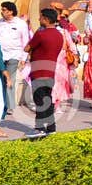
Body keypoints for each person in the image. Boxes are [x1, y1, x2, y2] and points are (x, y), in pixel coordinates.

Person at [25, 8, 67, 137]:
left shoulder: (41, 34)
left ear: (46, 19)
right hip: (50, 72)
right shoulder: (59, 35)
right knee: (47, 100)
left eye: (41, 17)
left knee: (39, 101)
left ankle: (39, 128)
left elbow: (27, 48)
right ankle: (51, 127)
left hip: (38, 72)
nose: (39, 19)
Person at [0, 1, 30, 111]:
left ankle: (9, 106)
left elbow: (25, 41)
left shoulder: (21, 24)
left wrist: (23, 58)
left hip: (14, 55)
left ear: (11, 11)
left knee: (10, 80)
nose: (2, 12)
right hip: (0, 55)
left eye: (4, 10)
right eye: (2, 9)